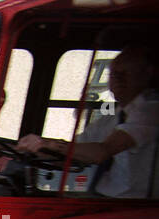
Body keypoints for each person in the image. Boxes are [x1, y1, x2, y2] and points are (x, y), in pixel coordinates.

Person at [15, 44, 158, 198]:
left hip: (133, 209)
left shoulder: (150, 110)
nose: (117, 80)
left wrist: (49, 145)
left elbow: (101, 152)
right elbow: (76, 150)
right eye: (113, 74)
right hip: (104, 198)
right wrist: (31, 149)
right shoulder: (114, 116)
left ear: (147, 74)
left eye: (124, 73)